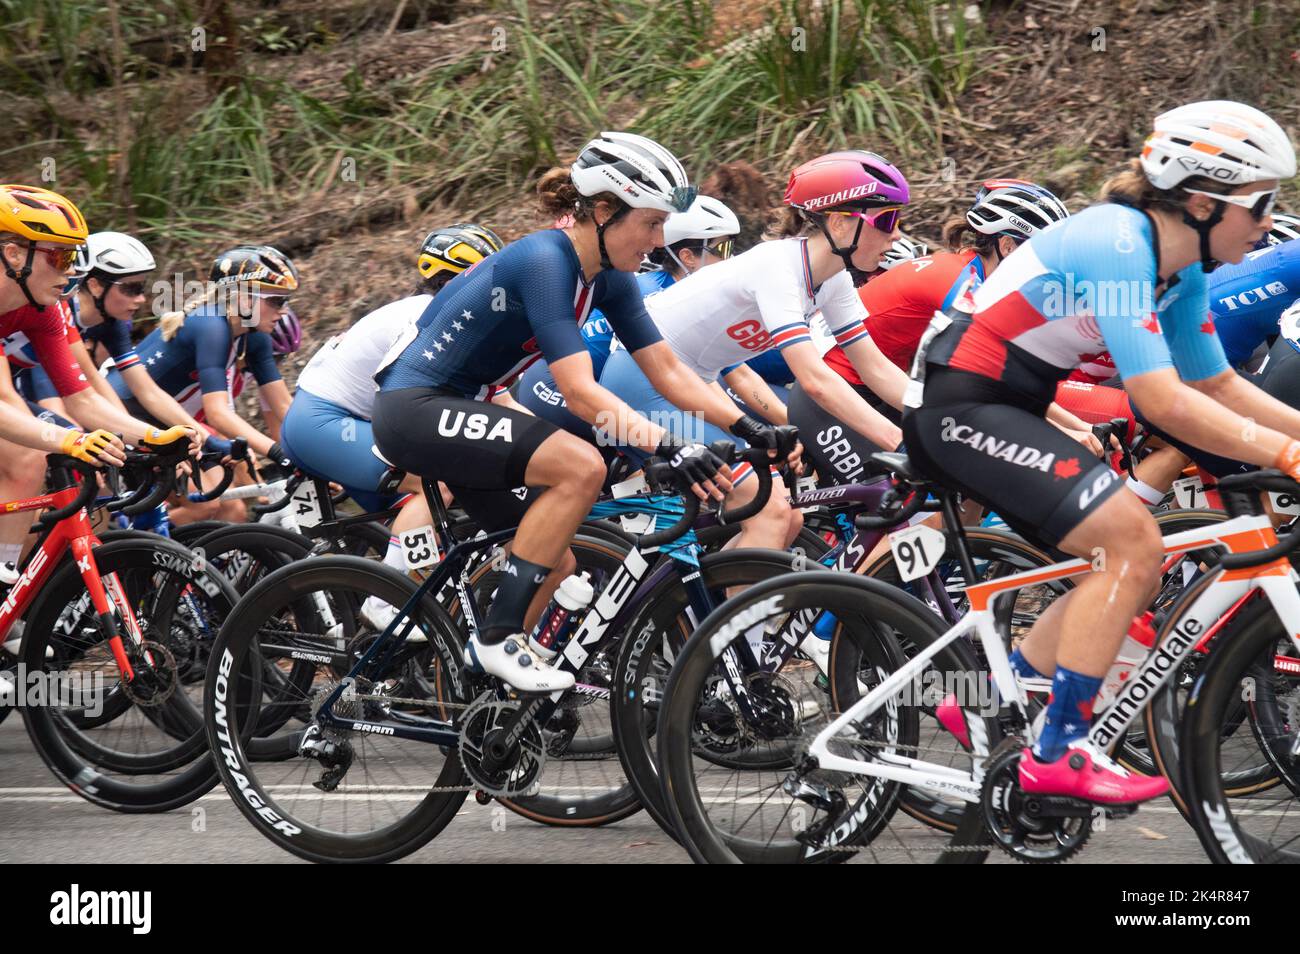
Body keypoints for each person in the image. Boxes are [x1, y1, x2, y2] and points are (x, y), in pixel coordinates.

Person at [905, 101, 1300, 805]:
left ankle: (985, 696)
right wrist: (1285, 453)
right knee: (1132, 545)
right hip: (962, 405)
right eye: (1261, 203)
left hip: (1010, 404)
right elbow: (1161, 400)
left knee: (1129, 567)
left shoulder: (1181, 270)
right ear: (1204, 202)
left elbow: (1215, 382)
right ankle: (1057, 751)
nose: (1269, 222)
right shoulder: (1120, 241)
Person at [372, 131, 778, 691]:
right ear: (605, 212)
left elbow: (668, 371)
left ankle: (479, 697)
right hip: (413, 407)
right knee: (579, 465)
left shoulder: (611, 280)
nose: (659, 242)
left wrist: (750, 425)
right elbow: (581, 392)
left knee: (555, 563)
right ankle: (496, 640)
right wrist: (670, 443)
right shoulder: (545, 261)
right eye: (651, 224)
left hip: (460, 407)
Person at [789, 179, 1088, 486]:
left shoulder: (973, 275)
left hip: (880, 390)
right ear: (1008, 246)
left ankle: (967, 536)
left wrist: (1080, 427)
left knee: (974, 477)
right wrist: (1065, 432)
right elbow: (999, 379)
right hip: (833, 398)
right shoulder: (960, 284)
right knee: (911, 501)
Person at [281, 223, 506, 616]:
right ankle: (386, 602)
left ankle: (416, 590)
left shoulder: (440, 315)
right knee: (437, 484)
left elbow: (499, 399)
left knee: (447, 494)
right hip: (325, 422)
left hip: (350, 421)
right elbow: (412, 402)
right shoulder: (425, 317)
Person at [0, 185, 193, 564]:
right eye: (61, 255)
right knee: (28, 455)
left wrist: (154, 437)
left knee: (32, 456)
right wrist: (69, 439)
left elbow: (83, 397)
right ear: (14, 254)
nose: (72, 270)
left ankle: (6, 577)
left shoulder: (45, 308)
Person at [515, 195, 741, 442]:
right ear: (687, 256)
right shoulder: (656, 294)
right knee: (666, 443)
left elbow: (707, 377)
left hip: (596, 386)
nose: (731, 260)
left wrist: (742, 427)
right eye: (724, 249)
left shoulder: (673, 292)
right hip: (554, 387)